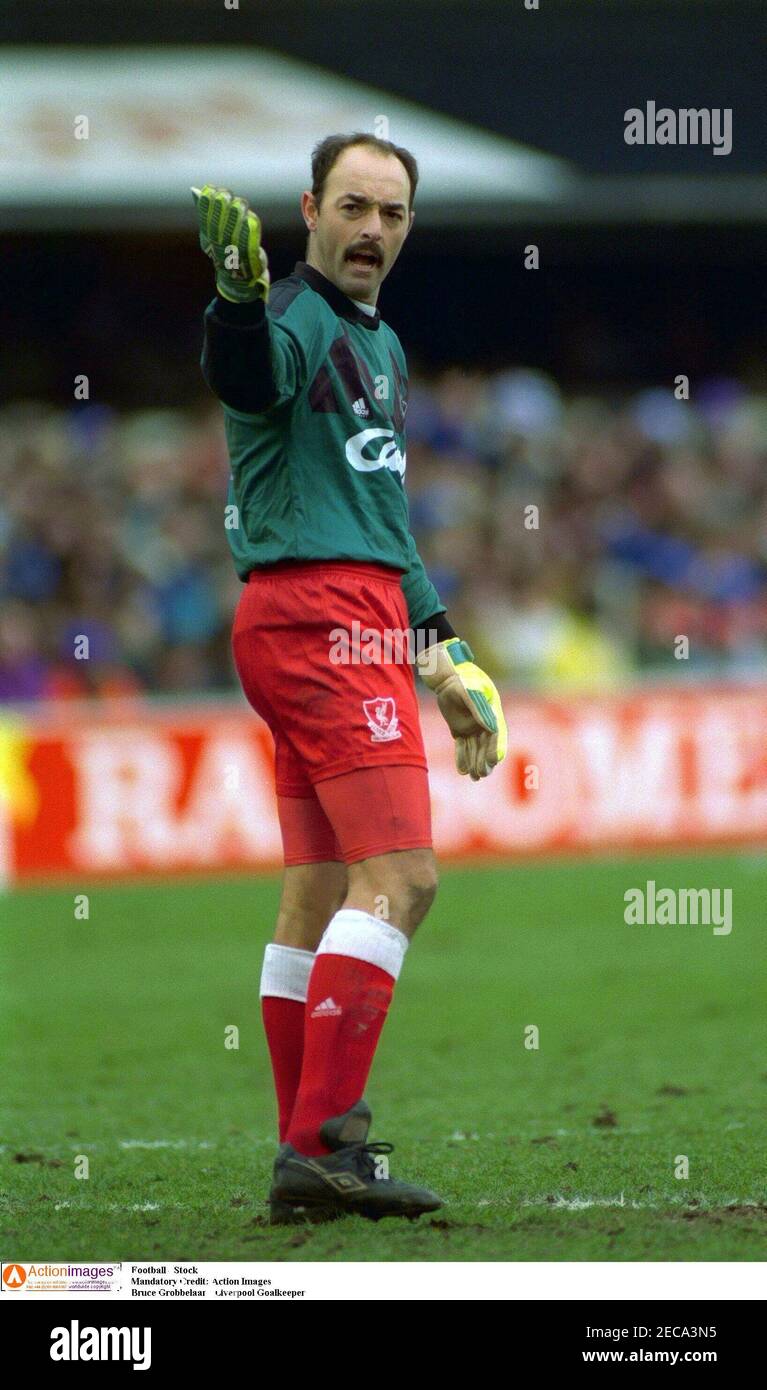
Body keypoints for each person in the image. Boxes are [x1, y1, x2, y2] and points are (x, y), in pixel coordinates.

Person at [195, 132, 507, 1224]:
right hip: (321, 614)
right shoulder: (289, 318)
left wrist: (444, 645)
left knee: (316, 892)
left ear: (408, 225)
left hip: (344, 612)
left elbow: (384, 513)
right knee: (405, 878)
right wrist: (235, 295)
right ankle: (329, 1143)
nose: (371, 229)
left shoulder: (383, 347)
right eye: (353, 206)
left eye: (391, 213)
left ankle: (302, 1152)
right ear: (311, 209)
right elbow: (244, 378)